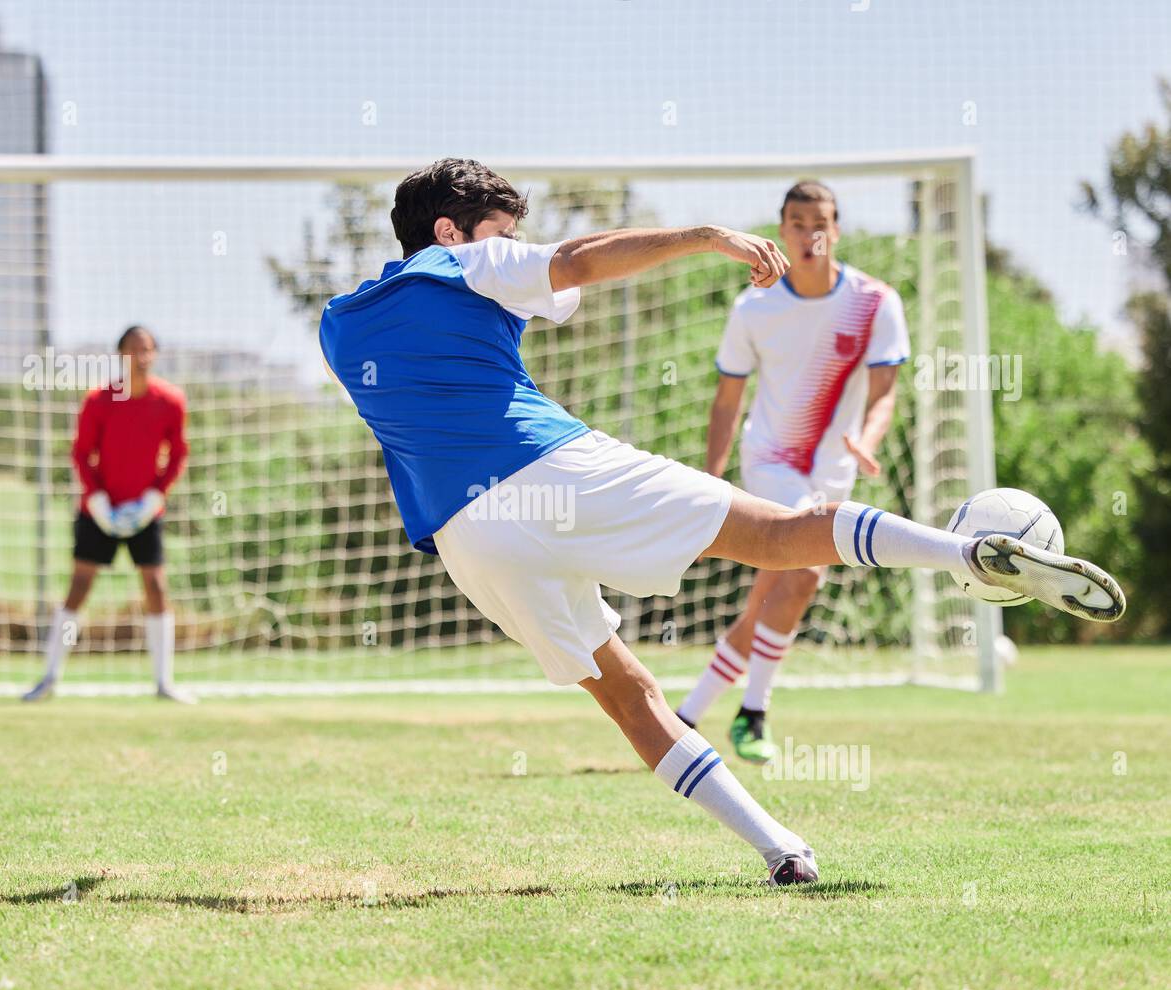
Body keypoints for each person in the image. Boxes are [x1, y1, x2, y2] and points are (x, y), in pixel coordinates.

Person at [318, 159, 1124, 885]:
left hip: (468, 540)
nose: (514, 245)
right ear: (451, 230)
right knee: (779, 534)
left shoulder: (338, 323)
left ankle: (782, 849)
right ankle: (968, 553)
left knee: (630, 695)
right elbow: (577, 264)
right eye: (503, 230)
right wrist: (705, 237)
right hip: (548, 466)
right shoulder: (465, 260)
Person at [677, 180, 909, 763]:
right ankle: (754, 711)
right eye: (798, 221)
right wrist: (711, 481)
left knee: (771, 594)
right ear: (781, 230)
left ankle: (685, 717)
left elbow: (885, 392)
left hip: (834, 472)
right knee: (804, 573)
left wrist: (866, 438)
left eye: (821, 222)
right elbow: (727, 400)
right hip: (770, 462)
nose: (810, 233)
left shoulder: (876, 301)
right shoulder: (754, 307)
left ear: (836, 230)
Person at [23, 325, 195, 704]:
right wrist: (97, 500)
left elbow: (179, 453)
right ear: (120, 355)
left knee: (156, 587)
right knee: (79, 587)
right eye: (135, 349)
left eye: (148, 349)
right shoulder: (98, 400)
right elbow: (82, 453)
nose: (142, 356)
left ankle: (164, 683)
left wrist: (154, 496)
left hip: (144, 511)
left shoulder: (170, 400)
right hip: (99, 512)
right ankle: (49, 677)